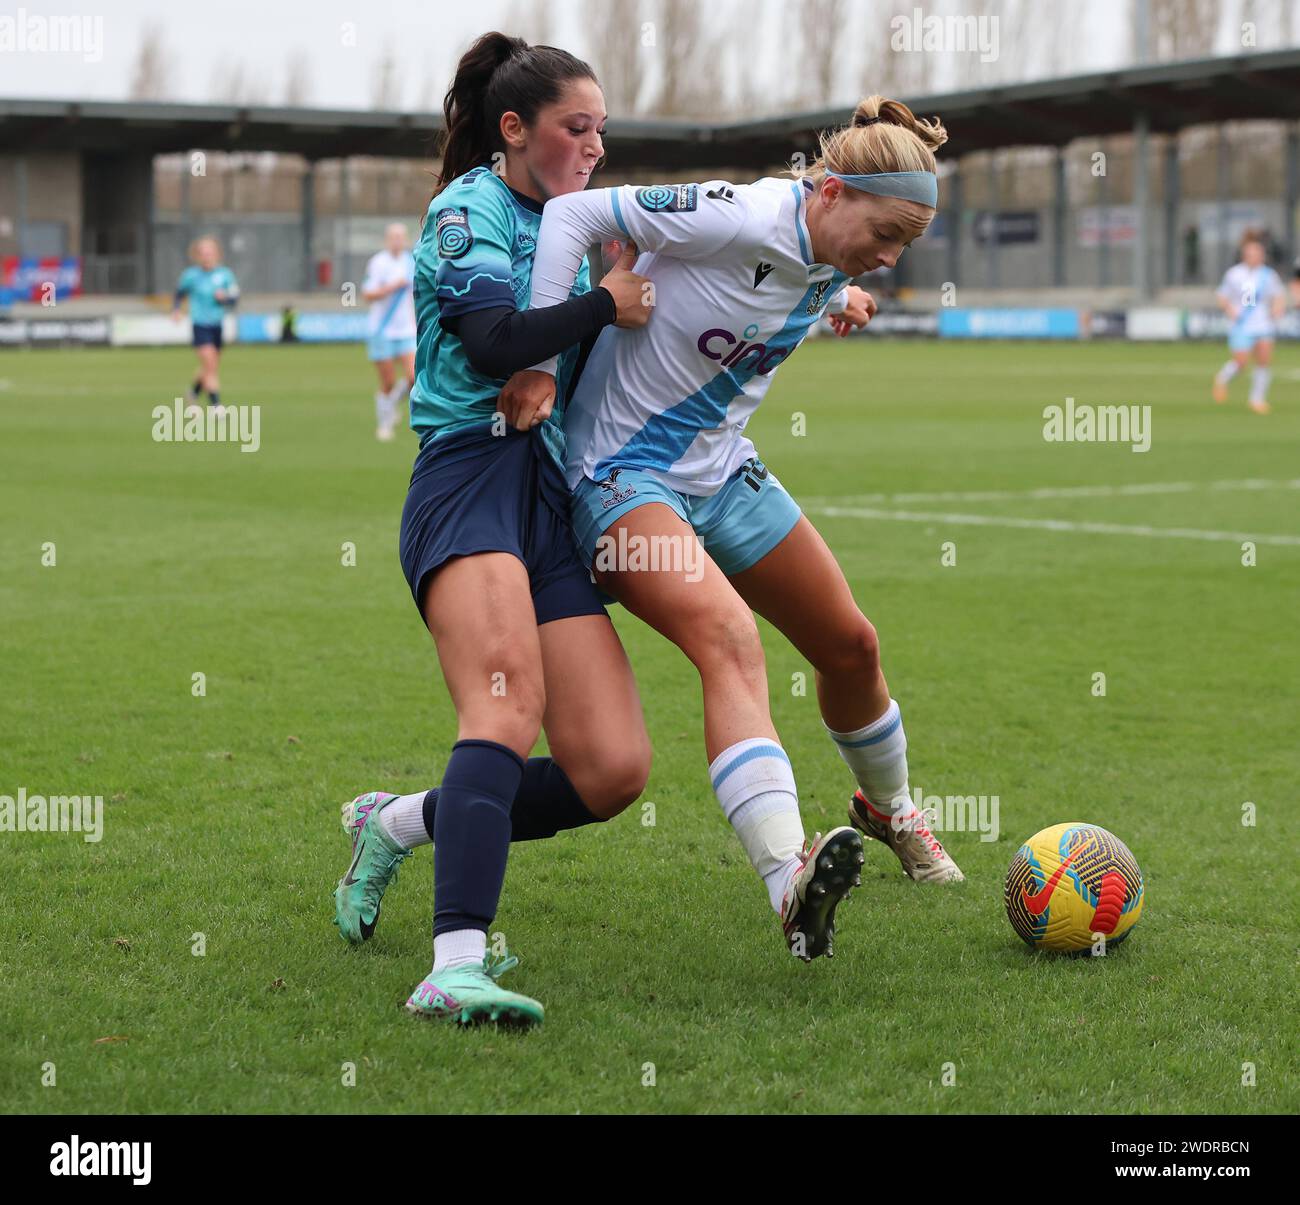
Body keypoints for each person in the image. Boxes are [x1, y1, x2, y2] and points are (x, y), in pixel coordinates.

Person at [520, 96, 966, 930]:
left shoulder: (830, 252)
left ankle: (891, 809)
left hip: (724, 475)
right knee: (728, 639)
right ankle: (788, 880)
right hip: (622, 477)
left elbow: (766, 293)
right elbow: (577, 212)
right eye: (883, 238)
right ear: (830, 193)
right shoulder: (740, 213)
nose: (886, 259)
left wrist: (836, 300)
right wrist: (542, 361)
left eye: (903, 248)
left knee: (851, 645)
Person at [333, 32, 657, 1030]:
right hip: (468, 475)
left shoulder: (583, 221)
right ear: (513, 130)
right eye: (575, 127)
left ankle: (402, 821)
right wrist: (598, 303)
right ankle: (454, 964)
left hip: (544, 493)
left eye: (602, 128)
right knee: (506, 711)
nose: (595, 146)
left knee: (611, 768)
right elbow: (490, 340)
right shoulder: (466, 208)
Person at [1213, 232, 1285, 414]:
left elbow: (1279, 295)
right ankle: (1222, 378)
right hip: (1242, 324)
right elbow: (1222, 296)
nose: (1256, 257)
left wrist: (1277, 309)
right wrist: (1230, 311)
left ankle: (1257, 400)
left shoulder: (1269, 275)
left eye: (1258, 253)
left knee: (1263, 361)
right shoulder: (1234, 274)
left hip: (1263, 323)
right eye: (1252, 253)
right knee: (1241, 361)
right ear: (1245, 255)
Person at [362, 223, 418, 440]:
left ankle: (392, 404)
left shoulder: (411, 261)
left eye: (401, 237)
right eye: (393, 237)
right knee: (388, 381)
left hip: (406, 329)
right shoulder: (378, 263)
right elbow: (368, 295)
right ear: (387, 240)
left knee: (414, 377)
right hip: (382, 329)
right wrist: (392, 287)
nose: (397, 241)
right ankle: (384, 423)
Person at [172, 237, 239, 414]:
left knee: (210, 367)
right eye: (203, 253)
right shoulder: (191, 275)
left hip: (217, 325)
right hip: (200, 325)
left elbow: (234, 299)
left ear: (217, 254)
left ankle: (193, 392)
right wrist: (177, 310)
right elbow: (179, 293)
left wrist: (225, 298)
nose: (206, 256)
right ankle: (216, 405)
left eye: (210, 252)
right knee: (210, 365)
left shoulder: (225, 275)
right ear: (197, 255)